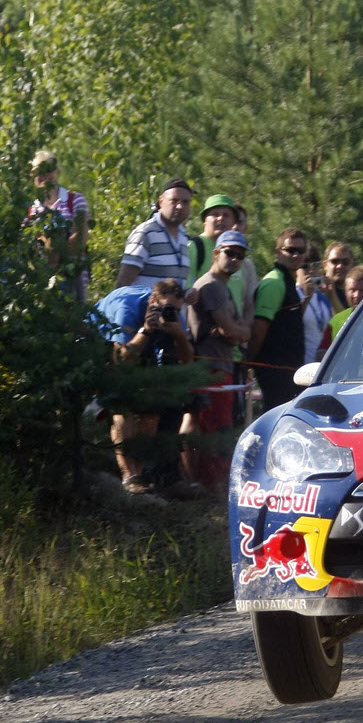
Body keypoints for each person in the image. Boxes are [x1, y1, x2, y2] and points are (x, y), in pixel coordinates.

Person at [108, 279, 194, 493]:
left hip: (139, 346)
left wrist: (179, 336)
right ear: (153, 301)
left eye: (175, 309)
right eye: (166, 308)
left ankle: (141, 474)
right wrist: (146, 330)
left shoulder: (174, 315)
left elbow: (187, 363)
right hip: (102, 339)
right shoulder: (127, 307)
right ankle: (128, 475)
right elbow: (122, 360)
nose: (170, 313)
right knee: (123, 407)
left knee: (151, 409)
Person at [183, 230, 252, 489]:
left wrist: (236, 333)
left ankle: (210, 483)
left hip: (220, 365)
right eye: (229, 252)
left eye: (240, 255)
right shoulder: (211, 285)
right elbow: (233, 332)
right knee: (216, 430)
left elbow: (236, 332)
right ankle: (213, 486)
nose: (234, 259)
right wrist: (237, 332)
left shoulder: (221, 286)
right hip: (212, 368)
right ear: (216, 253)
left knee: (218, 427)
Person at [246, 228, 316, 411]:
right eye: (290, 250)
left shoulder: (288, 281)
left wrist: (306, 300)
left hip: (288, 370)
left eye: (300, 251)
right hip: (274, 371)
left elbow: (287, 322)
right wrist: (248, 364)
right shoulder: (274, 282)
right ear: (278, 252)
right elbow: (259, 330)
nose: (296, 255)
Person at [23, 150, 93, 301]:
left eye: (48, 170)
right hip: (43, 281)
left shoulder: (74, 200)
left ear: (57, 172)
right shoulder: (32, 209)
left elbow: (81, 240)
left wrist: (51, 249)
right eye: (39, 172)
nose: (44, 176)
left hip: (74, 278)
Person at [116, 179, 193, 290]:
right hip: (145, 307)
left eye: (185, 202)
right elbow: (123, 284)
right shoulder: (145, 233)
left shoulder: (183, 238)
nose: (180, 206)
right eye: (174, 200)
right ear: (161, 202)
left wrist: (188, 293)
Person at [317, 265, 363, 360]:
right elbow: (321, 353)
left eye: (362, 291)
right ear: (345, 290)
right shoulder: (336, 320)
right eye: (352, 290)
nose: (356, 295)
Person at [322, 242, 355, 309]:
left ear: (352, 264)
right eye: (335, 261)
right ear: (325, 265)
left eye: (345, 262)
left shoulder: (356, 293)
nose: (340, 266)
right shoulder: (316, 292)